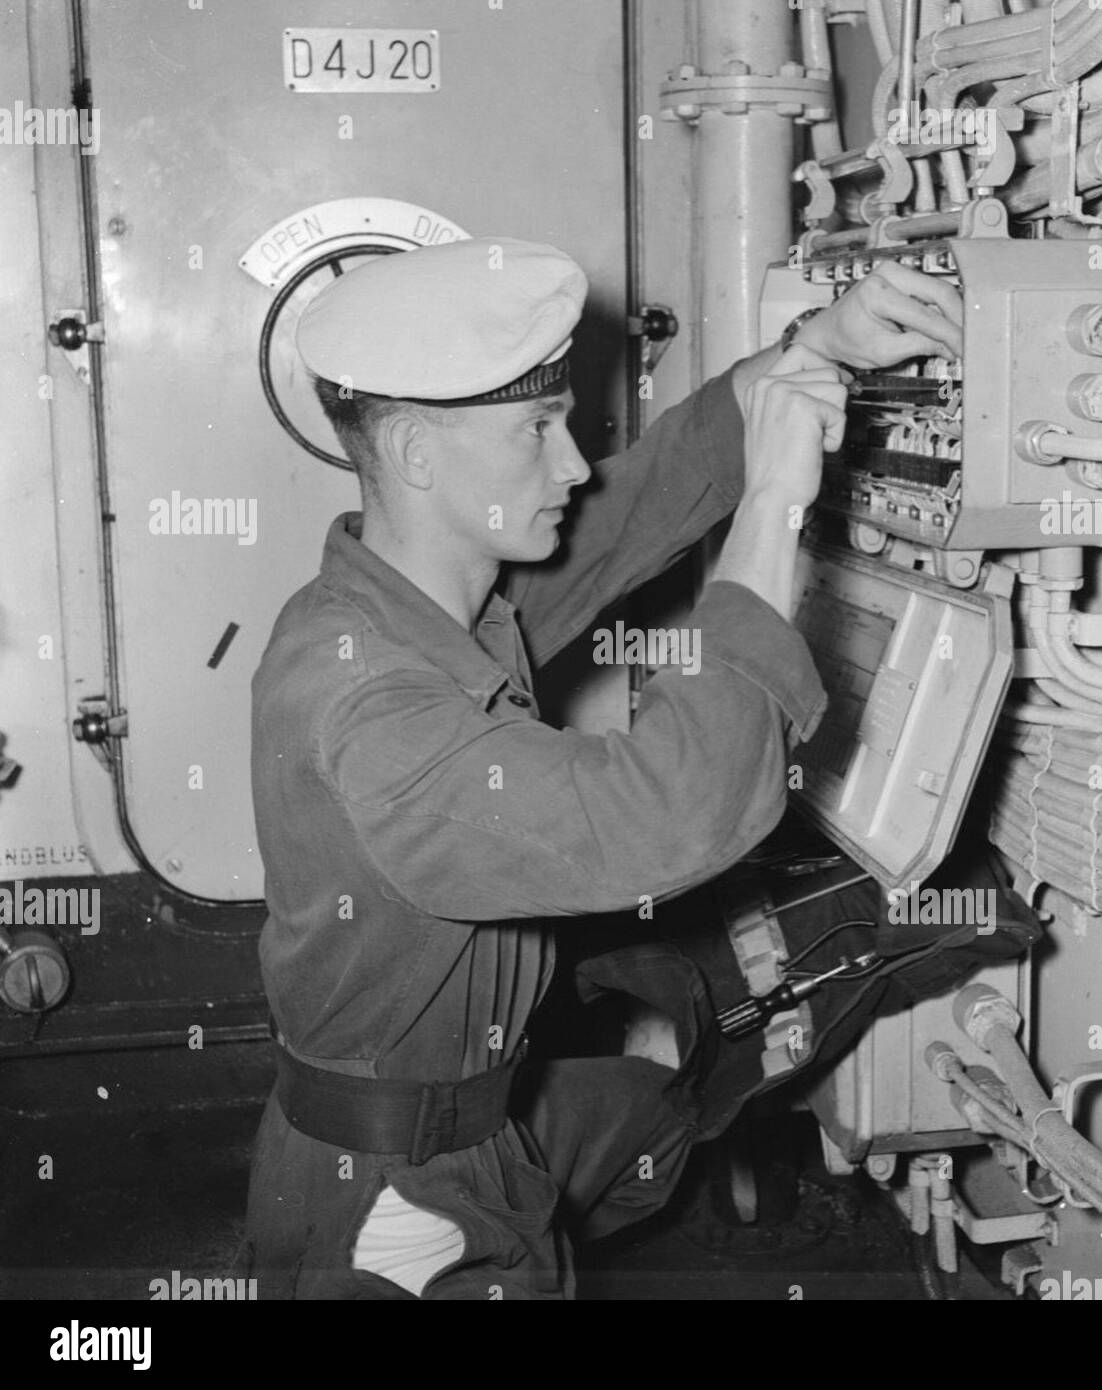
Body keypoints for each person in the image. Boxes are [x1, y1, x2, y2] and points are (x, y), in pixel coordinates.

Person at [239, 236, 963, 1299]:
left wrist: (817, 350)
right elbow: (666, 816)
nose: (573, 463)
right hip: (400, 1201)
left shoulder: (426, 606)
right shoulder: (371, 705)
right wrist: (772, 509)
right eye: (536, 428)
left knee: (660, 1111)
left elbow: (639, 503)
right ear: (413, 450)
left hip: (468, 1114)